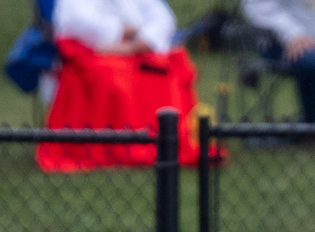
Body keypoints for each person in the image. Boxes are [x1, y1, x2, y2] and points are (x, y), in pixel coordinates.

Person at [39, 0, 220, 170]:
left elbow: (163, 18)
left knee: (169, 73)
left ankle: (169, 141)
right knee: (115, 80)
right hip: (97, 53)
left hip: (138, 51)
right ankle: (117, 146)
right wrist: (122, 31)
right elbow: (74, 21)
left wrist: (141, 42)